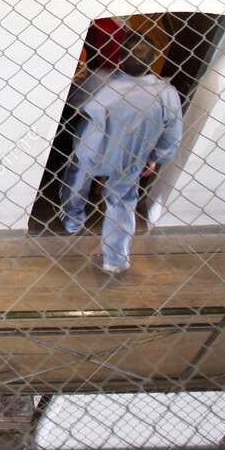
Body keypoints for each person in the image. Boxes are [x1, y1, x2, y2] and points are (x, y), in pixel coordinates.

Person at [62, 39, 184, 275]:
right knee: (123, 201)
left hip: (93, 149)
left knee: (76, 180)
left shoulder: (100, 81)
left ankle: (72, 220)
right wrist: (156, 156)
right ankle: (115, 258)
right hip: (132, 155)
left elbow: (74, 102)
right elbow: (173, 132)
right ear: (153, 59)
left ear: (119, 57)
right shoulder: (166, 94)